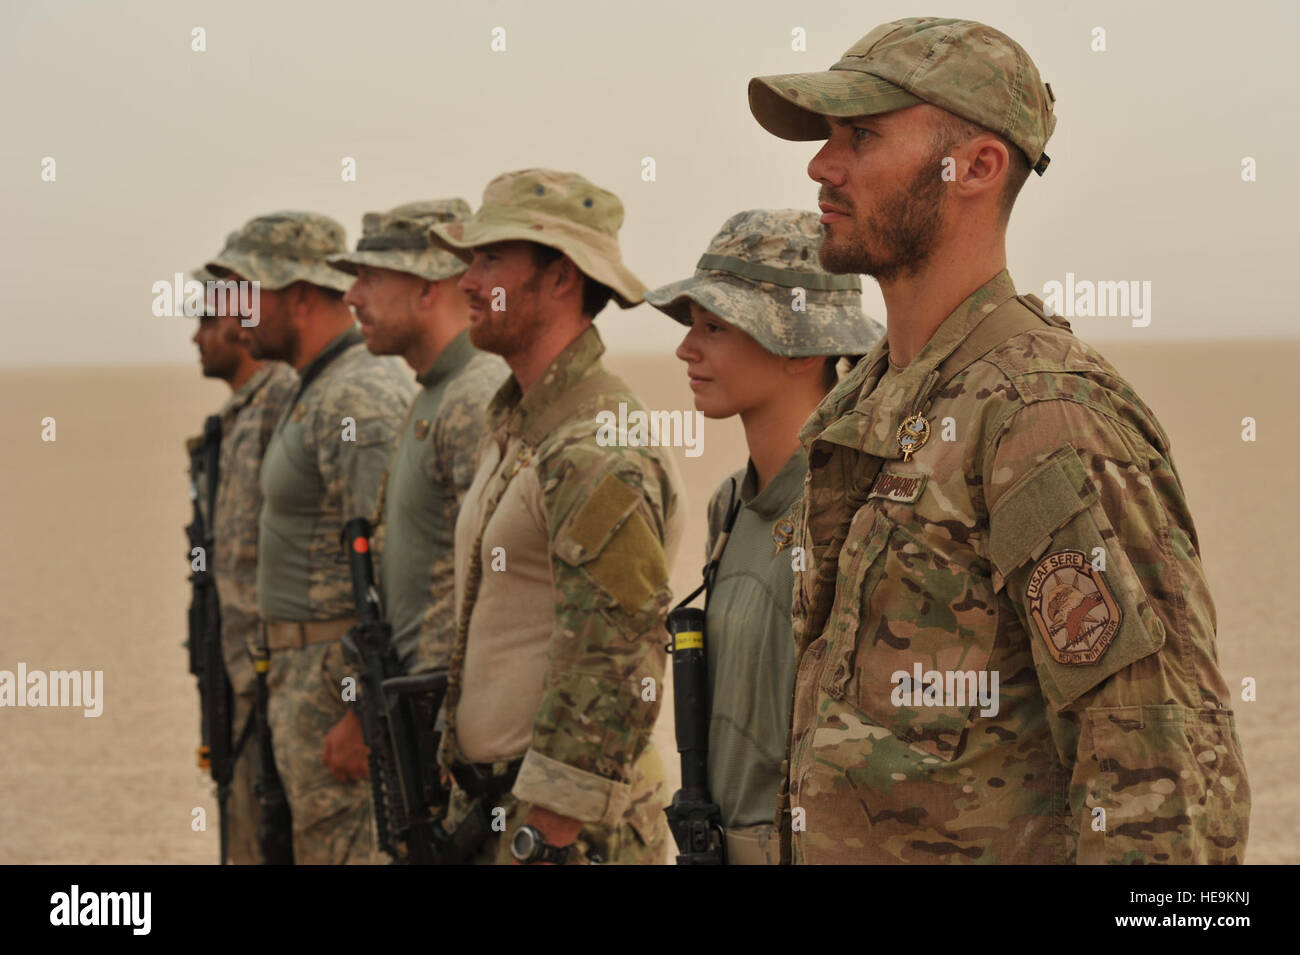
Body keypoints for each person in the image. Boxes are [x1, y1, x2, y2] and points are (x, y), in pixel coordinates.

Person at [748, 16, 1250, 864]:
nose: (821, 166)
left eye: (861, 136)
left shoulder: (1043, 414)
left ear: (978, 166)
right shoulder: (867, 407)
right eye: (828, 137)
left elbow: (1166, 778)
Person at [426, 168, 683, 864]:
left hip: (564, 836)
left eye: (490, 260)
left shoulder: (594, 445)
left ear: (563, 277)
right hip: (505, 816)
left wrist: (547, 835)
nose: (468, 282)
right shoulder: (520, 427)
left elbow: (618, 652)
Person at [645, 208, 882, 864]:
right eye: (693, 326)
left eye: (715, 328)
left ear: (802, 349)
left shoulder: (851, 515)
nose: (687, 349)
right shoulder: (733, 507)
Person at [205, 211, 415, 864]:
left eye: (247, 292)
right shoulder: (312, 388)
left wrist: (363, 709)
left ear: (298, 295)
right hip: (306, 683)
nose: (235, 316)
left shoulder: (357, 396)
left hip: (339, 691)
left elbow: (397, 570)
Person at [319, 201, 509, 789]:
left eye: (371, 278)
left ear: (428, 288)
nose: (352, 296)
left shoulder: (472, 396)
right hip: (419, 713)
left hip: (452, 729)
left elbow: (500, 586)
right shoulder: (433, 392)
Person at [186, 264, 298, 863]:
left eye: (209, 319)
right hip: (239, 682)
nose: (196, 336)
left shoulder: (281, 399)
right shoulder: (233, 418)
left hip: (276, 685)